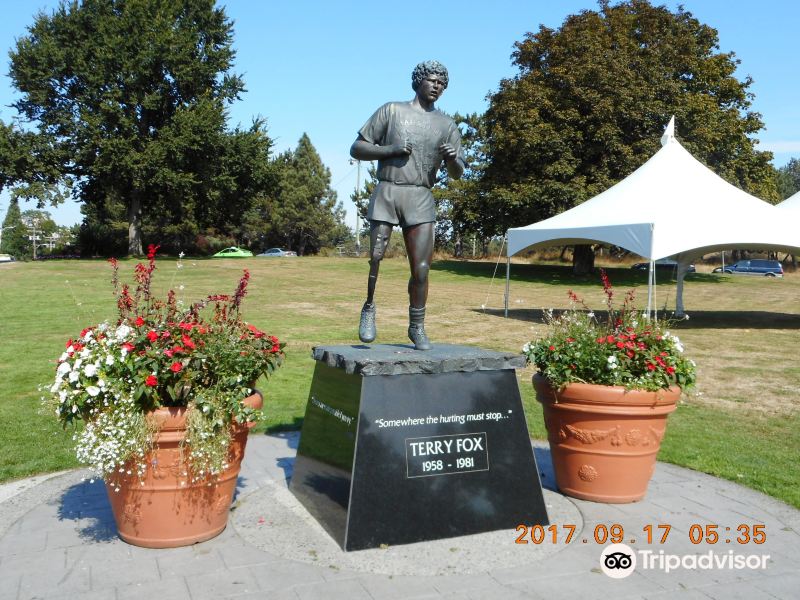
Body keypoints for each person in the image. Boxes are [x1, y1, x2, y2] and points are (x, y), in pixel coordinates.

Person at [350, 60, 465, 350]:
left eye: (442, 82)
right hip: (388, 191)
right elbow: (357, 148)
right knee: (375, 258)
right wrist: (390, 150)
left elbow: (458, 172)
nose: (437, 85)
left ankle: (417, 326)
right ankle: (369, 308)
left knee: (422, 268)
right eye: (432, 80)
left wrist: (452, 159)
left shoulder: (447, 125)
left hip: (420, 196)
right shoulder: (392, 110)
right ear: (418, 81)